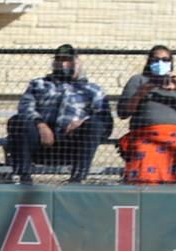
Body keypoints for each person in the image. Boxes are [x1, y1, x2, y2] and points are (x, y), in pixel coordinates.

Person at [7, 44, 109, 184]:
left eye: (67, 60)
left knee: (95, 125)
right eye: (59, 60)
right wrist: (41, 125)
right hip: (40, 140)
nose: (63, 64)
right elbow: (25, 107)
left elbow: (104, 118)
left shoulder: (92, 89)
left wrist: (83, 122)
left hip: (73, 141)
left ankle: (78, 178)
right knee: (18, 121)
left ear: (77, 63)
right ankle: (23, 176)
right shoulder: (39, 84)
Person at [116, 46, 176, 184]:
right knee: (144, 152)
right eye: (156, 60)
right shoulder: (138, 80)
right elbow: (123, 112)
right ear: (149, 62)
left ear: (171, 62)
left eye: (165, 60)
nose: (161, 63)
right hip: (146, 134)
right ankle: (143, 190)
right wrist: (145, 89)